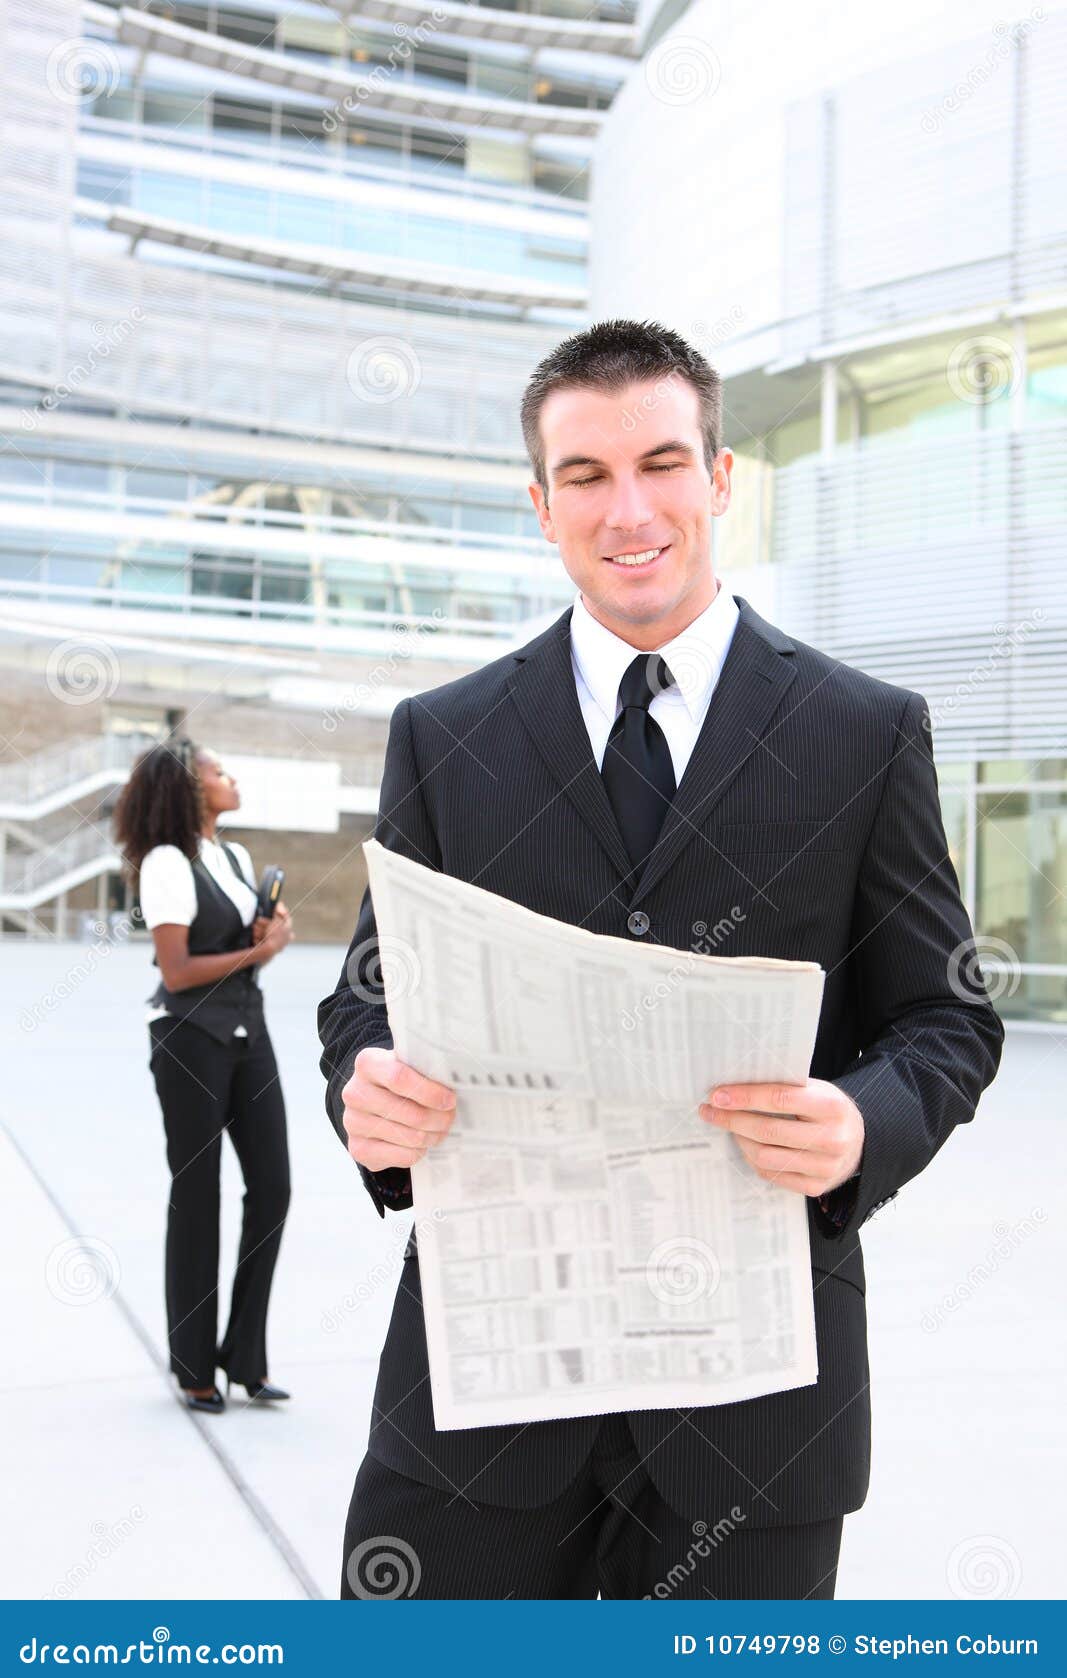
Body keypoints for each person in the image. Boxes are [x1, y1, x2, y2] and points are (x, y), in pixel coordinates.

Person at [317, 320, 1004, 1599]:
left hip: (751, 1406)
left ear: (721, 478)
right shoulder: (446, 737)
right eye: (584, 475)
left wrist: (860, 1122)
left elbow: (945, 1018)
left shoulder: (862, 732)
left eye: (661, 463)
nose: (627, 508)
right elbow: (364, 998)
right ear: (540, 504)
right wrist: (366, 1083)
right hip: (481, 1394)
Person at [114, 738, 293, 1415]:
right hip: (190, 1040)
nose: (230, 776)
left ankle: (244, 1357)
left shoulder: (237, 856)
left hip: (249, 1032)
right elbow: (177, 971)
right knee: (199, 1195)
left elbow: (247, 955)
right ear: (191, 789)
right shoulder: (166, 863)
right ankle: (194, 1366)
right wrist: (259, 946)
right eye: (218, 770)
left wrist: (265, 940)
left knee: (272, 1187)